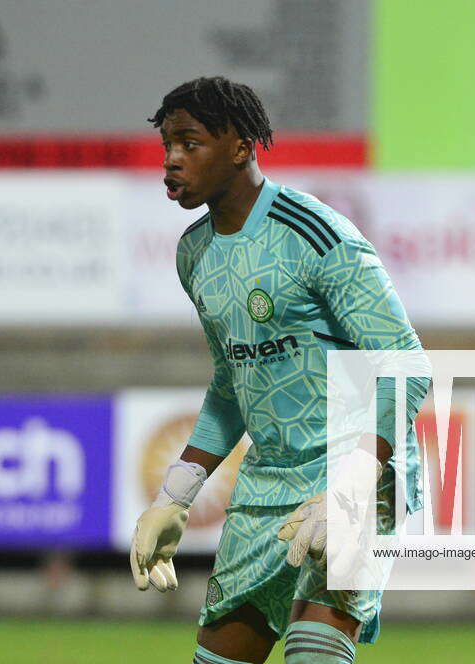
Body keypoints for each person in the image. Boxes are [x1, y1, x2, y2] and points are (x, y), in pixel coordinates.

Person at [130, 76, 428, 664]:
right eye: (167, 145)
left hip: (355, 470)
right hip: (268, 481)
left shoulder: (316, 236)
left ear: (242, 147)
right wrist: (177, 494)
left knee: (313, 653)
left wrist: (356, 483)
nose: (171, 161)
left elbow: (404, 363)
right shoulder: (194, 253)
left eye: (189, 144)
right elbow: (232, 380)